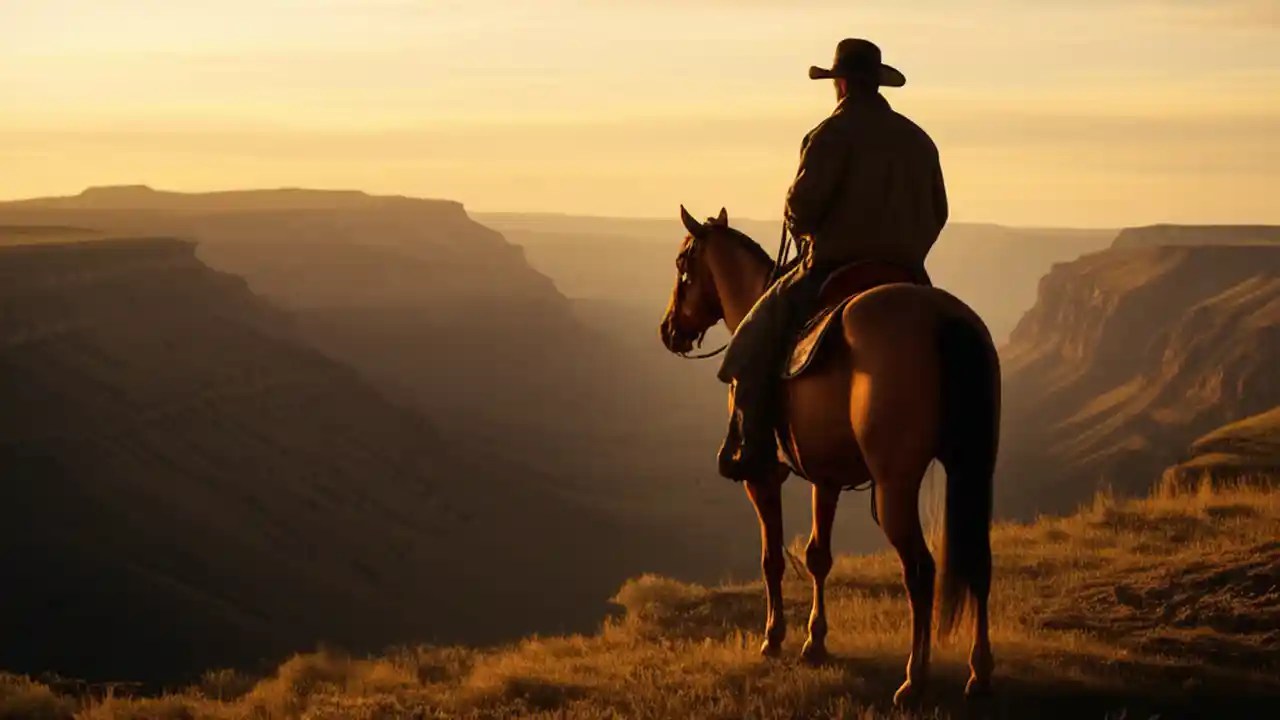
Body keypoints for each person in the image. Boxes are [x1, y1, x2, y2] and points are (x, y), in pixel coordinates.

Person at [715, 38, 949, 481]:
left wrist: (797, 214)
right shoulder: (919, 141)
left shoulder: (829, 135)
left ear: (840, 83)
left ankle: (755, 446)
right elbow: (938, 213)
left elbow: (802, 209)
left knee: (749, 346)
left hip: (831, 269)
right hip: (907, 272)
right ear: (876, 83)